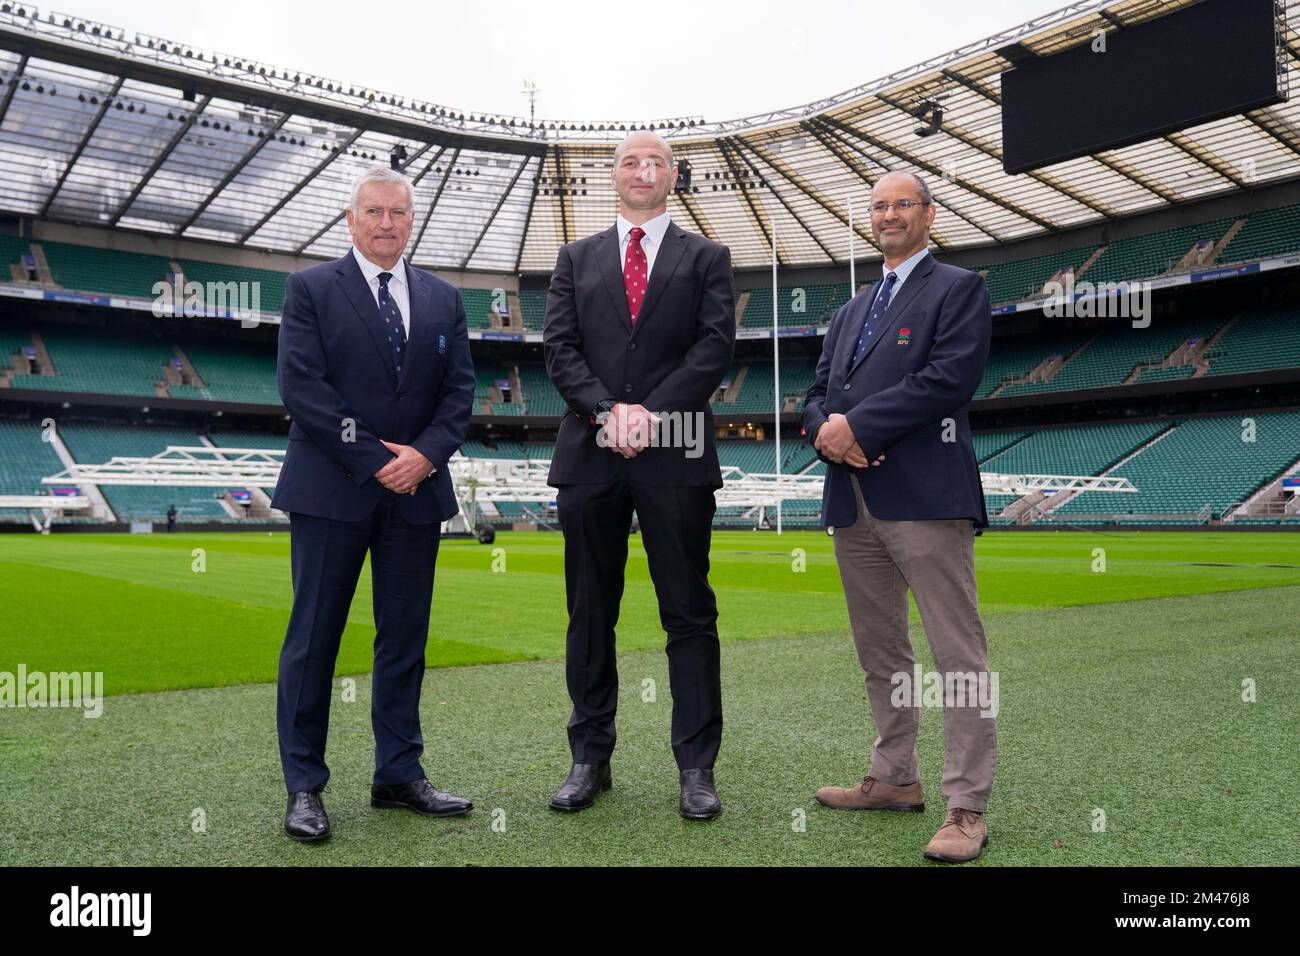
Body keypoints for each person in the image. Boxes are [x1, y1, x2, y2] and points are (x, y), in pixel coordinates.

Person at [271, 165, 475, 842]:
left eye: (399, 212)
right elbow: (304, 390)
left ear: (411, 220)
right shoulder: (310, 289)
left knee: (404, 640)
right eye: (374, 211)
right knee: (313, 641)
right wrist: (379, 457)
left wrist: (424, 456)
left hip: (416, 493)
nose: (387, 222)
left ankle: (398, 774)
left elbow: (459, 396)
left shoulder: (444, 299)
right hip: (333, 490)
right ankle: (304, 785)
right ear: (350, 220)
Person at [803, 171, 996, 862]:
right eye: (879, 206)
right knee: (880, 650)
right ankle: (894, 778)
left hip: (926, 496)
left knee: (958, 655)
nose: (888, 215)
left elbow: (949, 379)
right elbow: (816, 390)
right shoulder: (852, 308)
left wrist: (856, 428)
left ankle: (967, 804)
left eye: (901, 204)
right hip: (852, 502)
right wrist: (826, 429)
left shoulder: (958, 288)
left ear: (928, 215)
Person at [543, 130, 736, 819]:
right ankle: (589, 757)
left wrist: (649, 414)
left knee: (687, 612)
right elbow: (560, 349)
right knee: (590, 612)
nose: (643, 170)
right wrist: (606, 411)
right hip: (590, 453)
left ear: (673, 177)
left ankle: (696, 767)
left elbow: (714, 347)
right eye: (630, 161)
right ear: (613, 176)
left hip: (676, 451)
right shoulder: (574, 257)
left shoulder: (708, 257)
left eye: (656, 162)